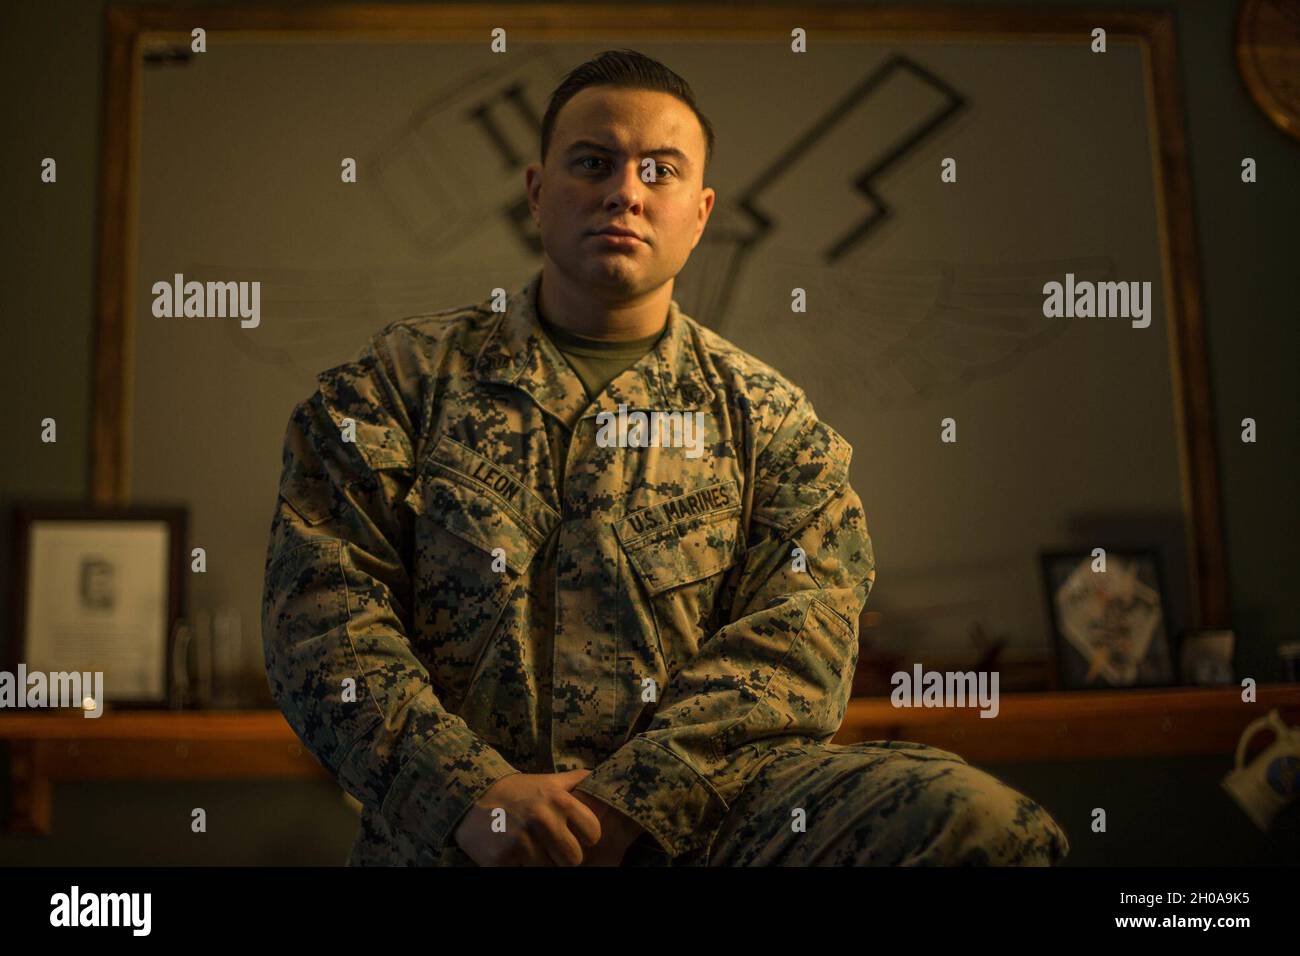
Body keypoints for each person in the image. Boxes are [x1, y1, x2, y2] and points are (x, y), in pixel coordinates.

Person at [261, 49, 1070, 867]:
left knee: (975, 822)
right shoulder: (394, 388)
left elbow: (798, 646)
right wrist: (469, 794)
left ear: (701, 212)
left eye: (660, 170)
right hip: (460, 845)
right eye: (593, 162)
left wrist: (629, 808)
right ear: (538, 194)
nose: (626, 190)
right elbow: (324, 622)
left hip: (699, 837)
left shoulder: (773, 425)